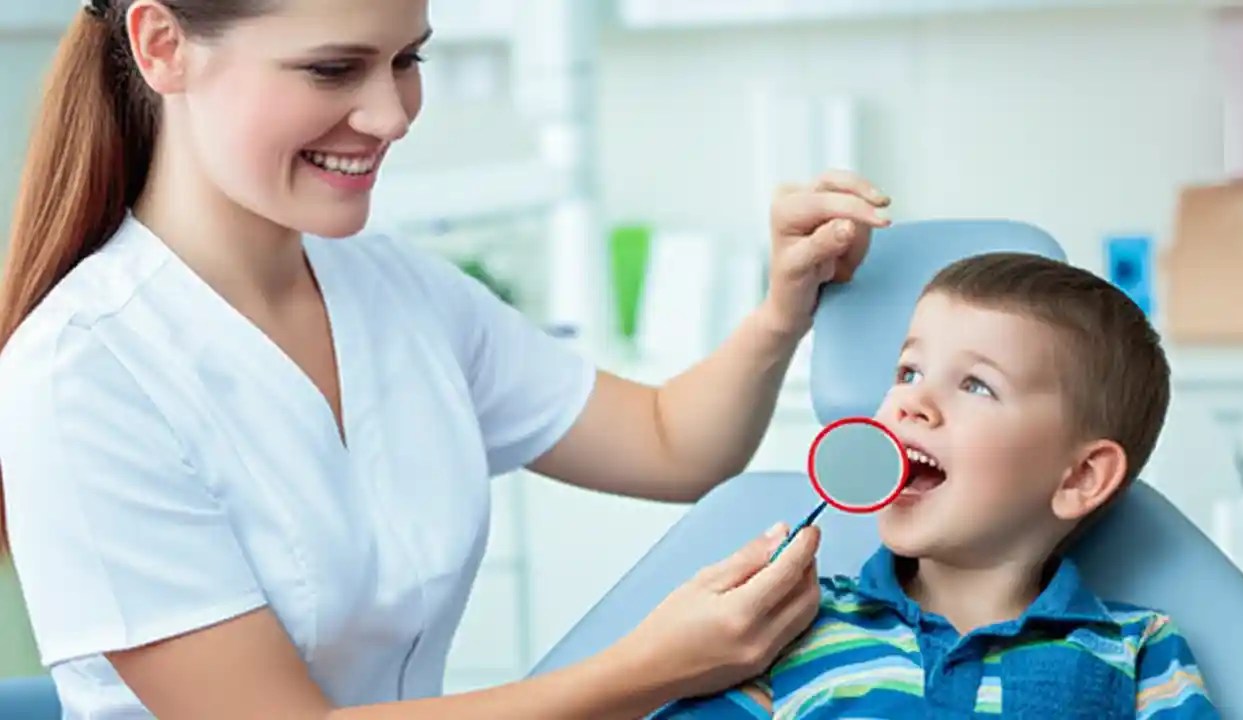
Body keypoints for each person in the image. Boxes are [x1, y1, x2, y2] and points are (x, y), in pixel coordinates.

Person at [0, 1, 895, 718]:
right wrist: (652, 669)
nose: (391, 114)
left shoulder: (397, 290)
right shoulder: (82, 375)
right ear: (163, 47)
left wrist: (784, 307)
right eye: (333, 67)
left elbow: (671, 443)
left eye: (407, 60)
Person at [652, 252, 1219, 718]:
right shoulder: (791, 632)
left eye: (976, 385)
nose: (910, 402)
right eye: (908, 373)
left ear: (1079, 477)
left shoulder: (1137, 648)